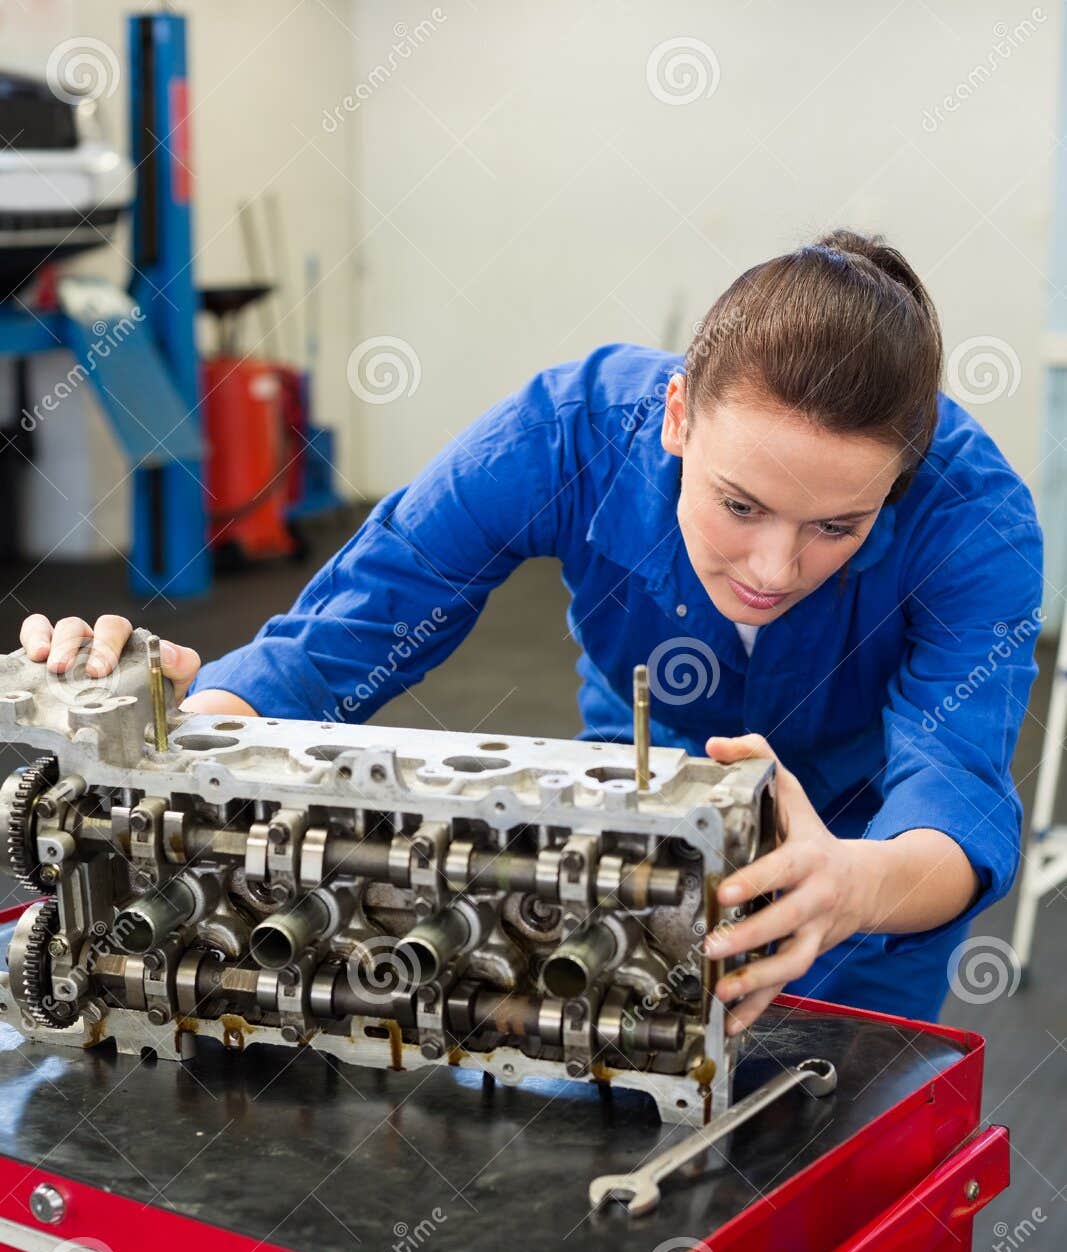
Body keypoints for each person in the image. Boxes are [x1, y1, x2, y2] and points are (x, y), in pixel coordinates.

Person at [20, 229, 1044, 1036]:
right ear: (676, 416)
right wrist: (174, 728)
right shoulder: (567, 432)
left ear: (899, 485)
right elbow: (352, 627)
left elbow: (950, 800)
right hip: (630, 821)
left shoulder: (975, 522)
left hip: (851, 880)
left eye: (835, 527)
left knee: (826, 1173)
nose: (774, 569)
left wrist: (851, 885)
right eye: (738, 506)